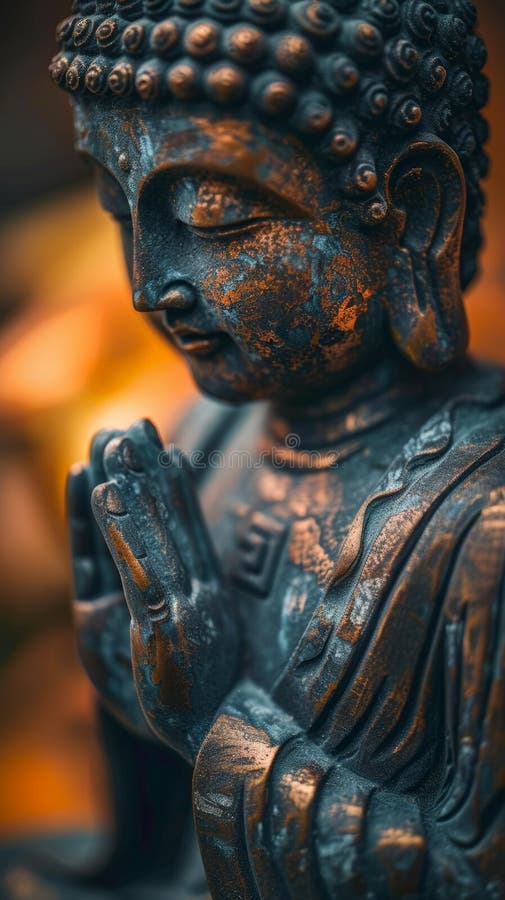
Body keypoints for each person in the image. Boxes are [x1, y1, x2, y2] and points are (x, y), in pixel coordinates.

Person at [46, 0, 505, 896]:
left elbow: (474, 873)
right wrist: (136, 708)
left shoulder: (480, 523)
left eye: (215, 219)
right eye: (117, 208)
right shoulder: (210, 434)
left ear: (409, 216)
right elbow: (171, 843)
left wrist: (213, 721)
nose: (146, 285)